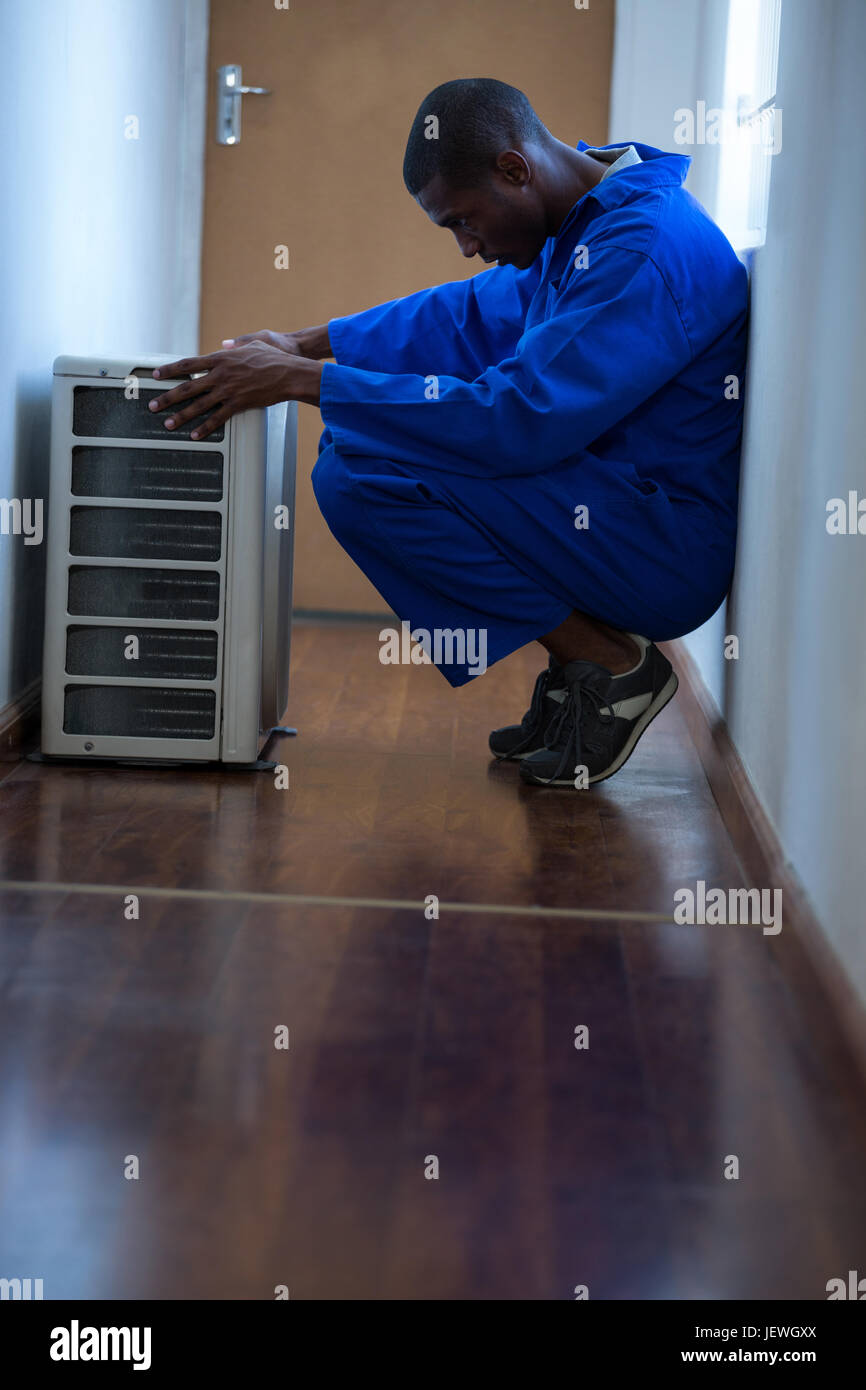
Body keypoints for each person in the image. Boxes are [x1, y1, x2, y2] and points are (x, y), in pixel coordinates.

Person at [149, 78, 748, 790]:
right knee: (355, 455)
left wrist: (297, 381)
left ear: (515, 169)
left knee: (364, 471)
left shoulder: (639, 247)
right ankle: (578, 665)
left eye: (465, 221)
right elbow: (467, 314)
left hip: (663, 547)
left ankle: (610, 665)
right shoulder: (588, 221)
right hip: (617, 511)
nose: (467, 246)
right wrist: (306, 345)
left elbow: (519, 417)